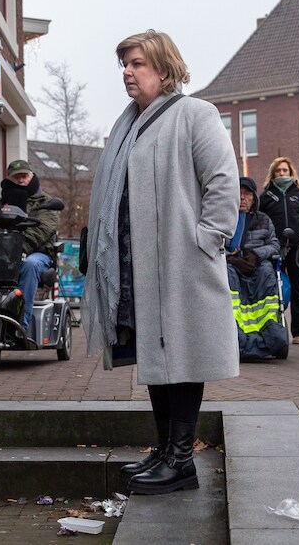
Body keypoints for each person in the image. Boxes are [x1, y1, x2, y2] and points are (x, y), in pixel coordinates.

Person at [83, 30, 239, 496]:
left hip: (180, 260)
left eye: (136, 64)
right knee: (153, 353)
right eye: (124, 65)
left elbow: (223, 183)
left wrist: (205, 241)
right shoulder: (128, 124)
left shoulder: (195, 114)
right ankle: (166, 449)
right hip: (137, 261)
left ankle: (182, 460)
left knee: (183, 353)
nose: (127, 73)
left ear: (164, 68)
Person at [0, 159, 59, 329]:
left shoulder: (46, 203)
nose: (20, 180)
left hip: (37, 253)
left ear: (31, 176)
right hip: (5, 253)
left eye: (24, 176)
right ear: (8, 179)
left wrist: (18, 250)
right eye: (16, 177)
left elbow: (42, 230)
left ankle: (21, 325)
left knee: (29, 265)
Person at [227, 176, 283, 359]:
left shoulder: (264, 219)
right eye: (239, 193)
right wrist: (232, 259)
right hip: (233, 265)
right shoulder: (224, 219)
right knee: (227, 275)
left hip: (257, 264)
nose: (242, 198)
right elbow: (214, 246)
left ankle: (270, 331)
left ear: (254, 198)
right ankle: (235, 333)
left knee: (267, 272)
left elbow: (275, 245)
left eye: (247, 194)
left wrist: (257, 255)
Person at [260, 157, 299, 343]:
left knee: (298, 289)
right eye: (278, 171)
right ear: (273, 173)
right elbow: (260, 219)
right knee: (273, 289)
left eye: (285, 170)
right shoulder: (266, 196)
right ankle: (275, 327)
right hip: (274, 248)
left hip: (296, 249)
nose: (282, 174)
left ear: (291, 173)